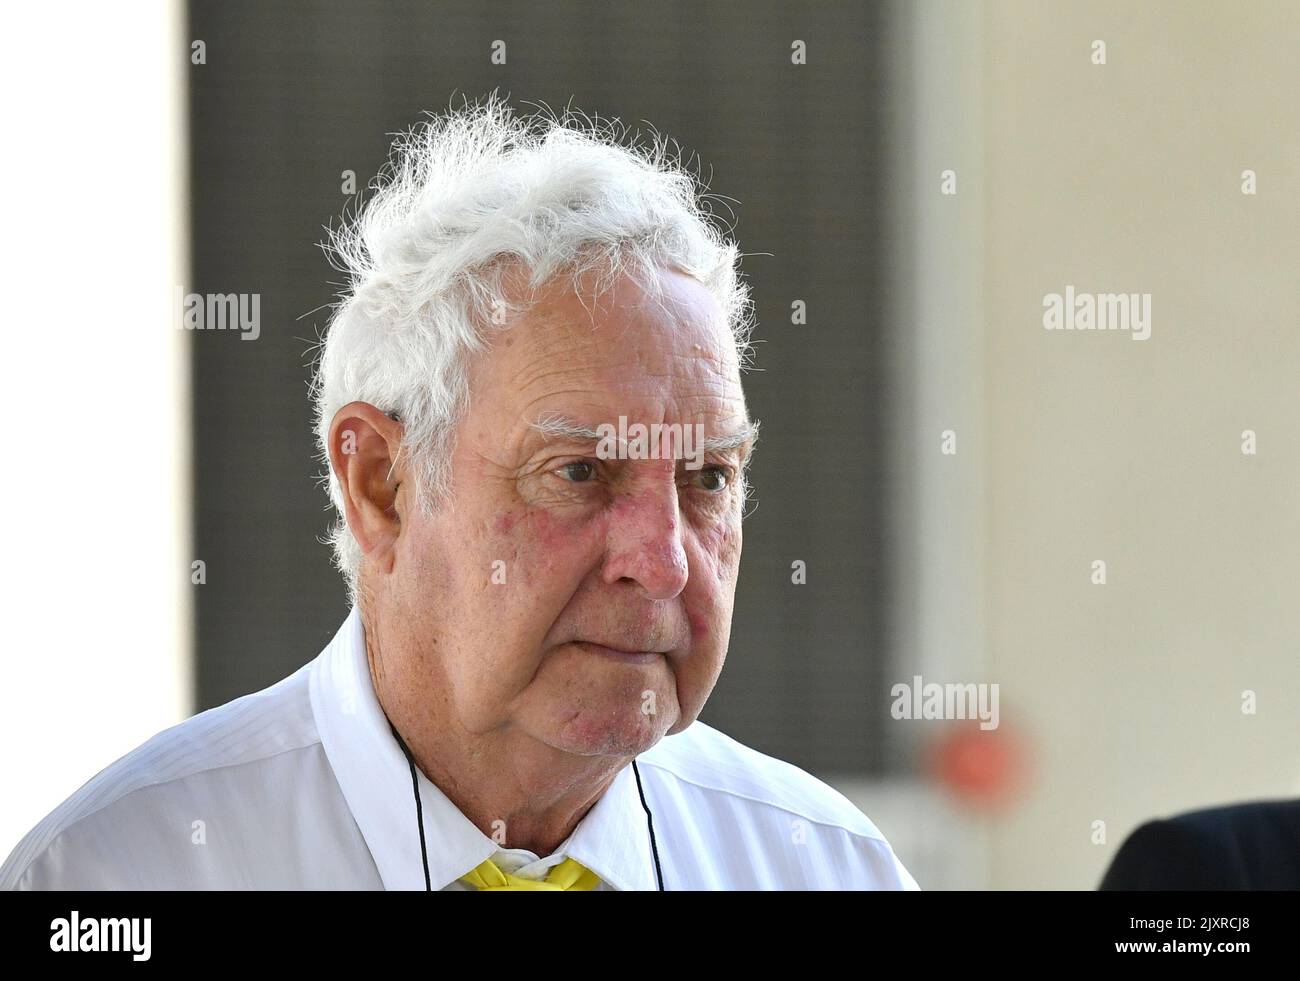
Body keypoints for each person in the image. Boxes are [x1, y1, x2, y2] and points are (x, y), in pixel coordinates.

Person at [1, 95, 917, 891]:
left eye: (708, 477)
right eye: (580, 473)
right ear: (380, 487)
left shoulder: (825, 866)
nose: (665, 561)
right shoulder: (118, 873)